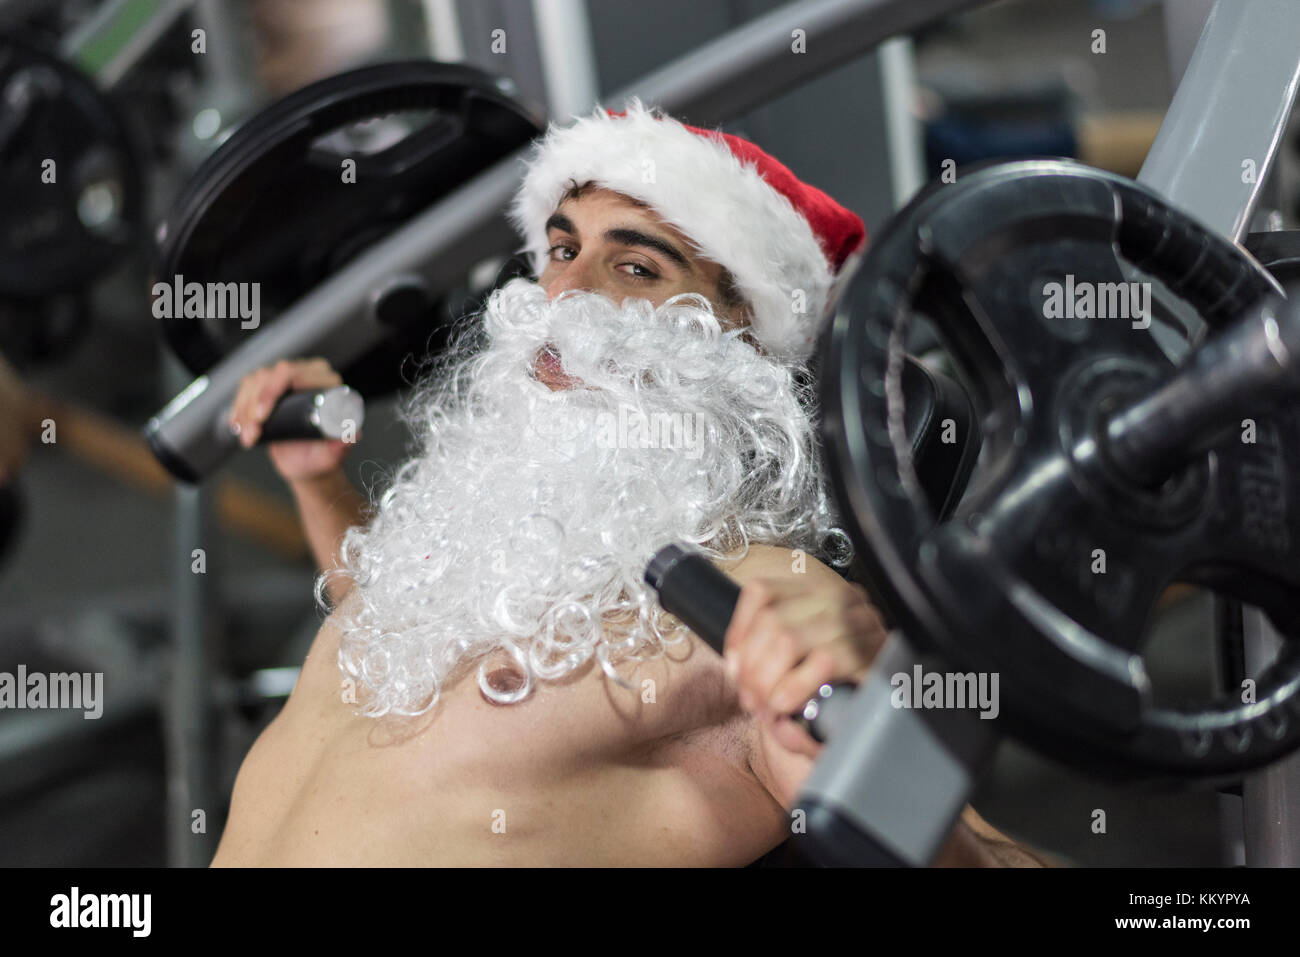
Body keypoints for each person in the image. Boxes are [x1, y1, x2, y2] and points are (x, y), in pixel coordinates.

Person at [212, 100, 1052, 867]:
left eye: (638, 269)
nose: (565, 292)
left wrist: (864, 760)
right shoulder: (471, 532)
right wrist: (318, 485)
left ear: (741, 352)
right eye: (565, 247)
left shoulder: (752, 598)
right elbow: (387, 651)